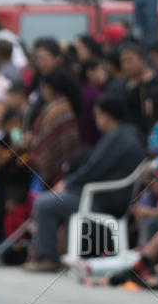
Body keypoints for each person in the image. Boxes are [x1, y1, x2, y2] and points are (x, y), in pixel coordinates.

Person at [25, 94, 146, 272]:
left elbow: (93, 168)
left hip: (102, 200)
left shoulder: (117, 138)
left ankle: (47, 258)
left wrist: (67, 183)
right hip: (109, 198)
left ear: (106, 115)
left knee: (44, 203)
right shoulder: (129, 134)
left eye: (97, 115)